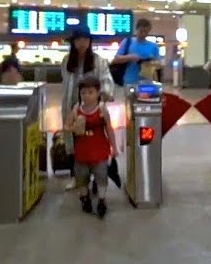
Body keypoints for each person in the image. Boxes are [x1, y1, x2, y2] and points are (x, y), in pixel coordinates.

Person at [61, 26, 114, 191]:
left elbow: (106, 81)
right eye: (78, 40)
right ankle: (76, 177)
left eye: (85, 39)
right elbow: (65, 83)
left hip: (93, 109)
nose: (82, 43)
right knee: (74, 142)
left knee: (94, 141)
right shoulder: (67, 61)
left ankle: (97, 177)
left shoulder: (98, 61)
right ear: (73, 42)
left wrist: (102, 100)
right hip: (72, 107)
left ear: (90, 41)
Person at [67, 75, 117, 218]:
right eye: (83, 93)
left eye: (90, 92)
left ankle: (101, 200)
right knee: (81, 177)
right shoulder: (76, 109)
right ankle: (85, 198)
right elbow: (66, 125)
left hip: (99, 149)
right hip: (82, 151)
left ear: (97, 93)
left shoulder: (102, 109)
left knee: (101, 175)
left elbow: (109, 128)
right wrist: (74, 128)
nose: (87, 96)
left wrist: (114, 147)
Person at [111, 18, 161, 89]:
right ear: (136, 29)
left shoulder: (153, 46)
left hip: (147, 83)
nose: (143, 34)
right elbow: (115, 60)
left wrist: (150, 63)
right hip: (129, 82)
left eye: (146, 32)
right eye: (141, 31)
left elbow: (159, 64)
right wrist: (129, 57)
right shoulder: (127, 42)